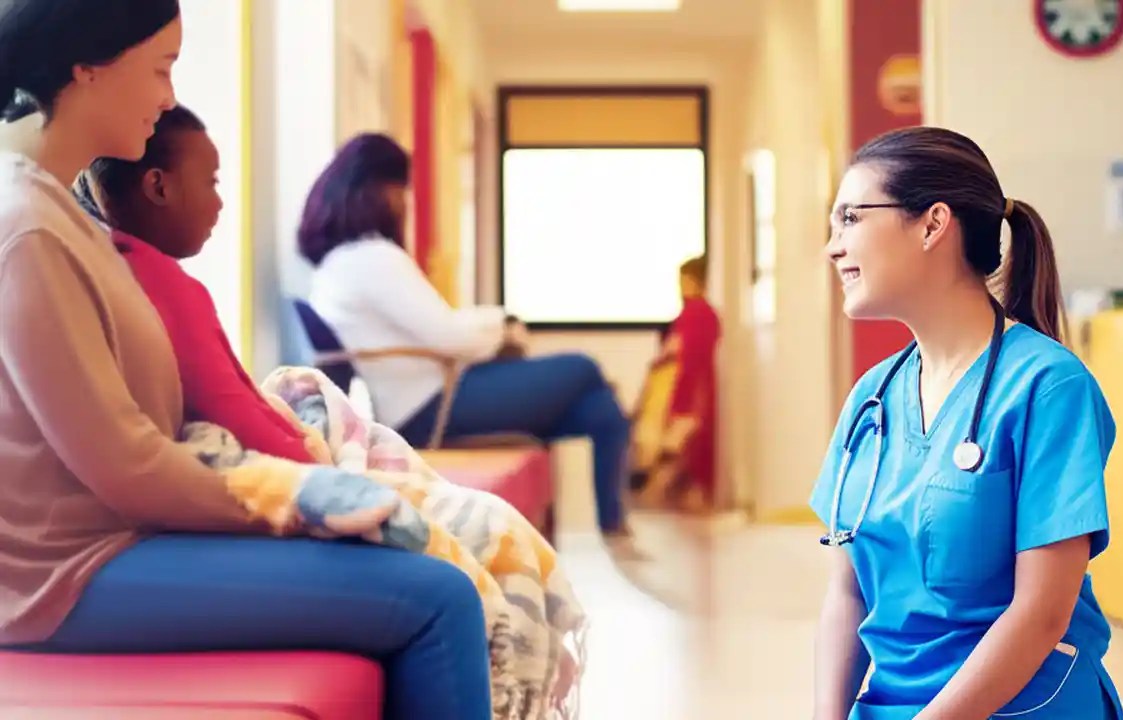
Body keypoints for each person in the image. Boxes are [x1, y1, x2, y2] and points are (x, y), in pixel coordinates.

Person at [0, 3, 491, 718]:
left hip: (119, 541)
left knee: (421, 573)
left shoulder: (68, 215)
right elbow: (129, 466)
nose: (169, 95)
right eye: (160, 69)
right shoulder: (30, 229)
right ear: (89, 67)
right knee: (438, 598)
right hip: (65, 576)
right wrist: (296, 500)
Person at [811, 127, 1123, 720]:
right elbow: (847, 593)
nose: (832, 246)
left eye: (850, 218)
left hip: (1023, 706)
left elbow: (1041, 612)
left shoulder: (1048, 387)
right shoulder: (871, 399)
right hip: (891, 706)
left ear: (933, 224)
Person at [302, 133, 633, 539]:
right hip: (433, 408)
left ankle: (613, 528)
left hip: (427, 399)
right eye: (401, 189)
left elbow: (440, 326)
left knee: (601, 410)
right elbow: (450, 336)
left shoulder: (343, 263)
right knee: (583, 368)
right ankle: (613, 527)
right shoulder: (373, 258)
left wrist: (488, 325)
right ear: (376, 190)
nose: (406, 202)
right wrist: (501, 327)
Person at [74, 105, 319, 464]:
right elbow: (232, 411)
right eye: (211, 182)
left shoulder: (108, 262)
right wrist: (320, 472)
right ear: (158, 186)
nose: (219, 203)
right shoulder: (166, 286)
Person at [629, 255, 721, 512]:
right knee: (679, 454)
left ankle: (650, 502)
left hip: (687, 395)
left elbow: (679, 351)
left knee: (673, 453)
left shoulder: (695, 314)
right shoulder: (705, 315)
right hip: (693, 394)